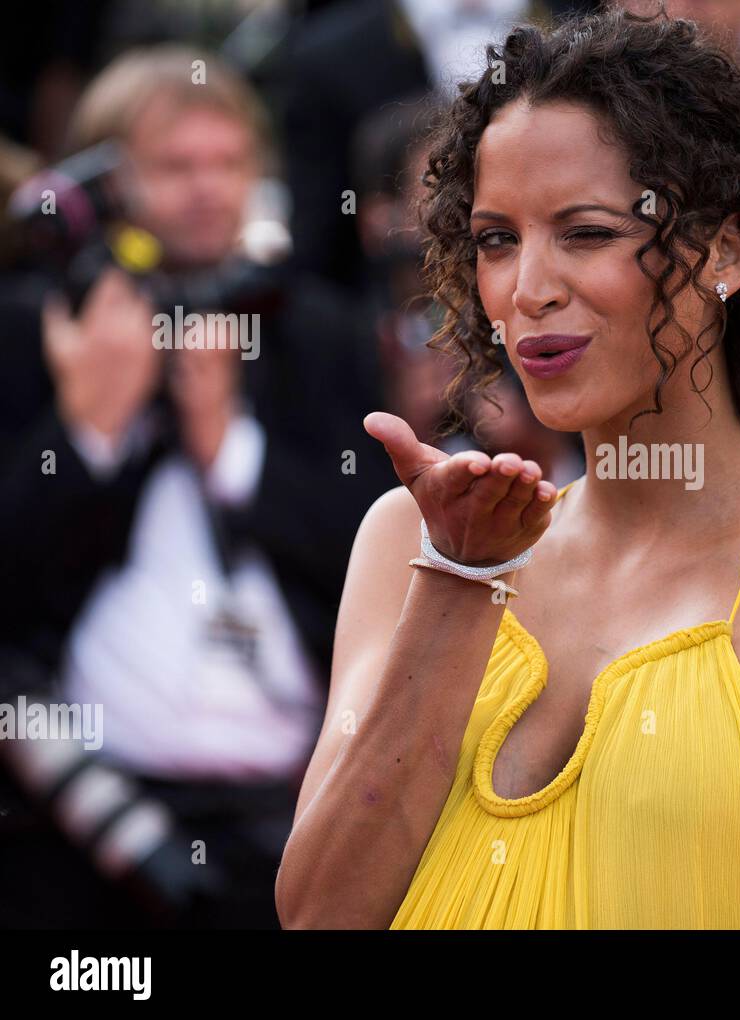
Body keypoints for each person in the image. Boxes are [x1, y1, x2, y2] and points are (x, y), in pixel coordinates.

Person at [276, 5, 740, 930]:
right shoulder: (412, 544)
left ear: (726, 252)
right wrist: (459, 579)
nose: (529, 288)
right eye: (497, 239)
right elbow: (319, 916)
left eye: (584, 233)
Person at [0, 45, 389, 927]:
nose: (207, 190)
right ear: (103, 181)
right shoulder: (33, 329)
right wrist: (91, 430)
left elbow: (370, 557)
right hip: (72, 828)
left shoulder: (315, 331)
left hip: (289, 817)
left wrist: (229, 449)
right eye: (175, 167)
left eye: (228, 164)